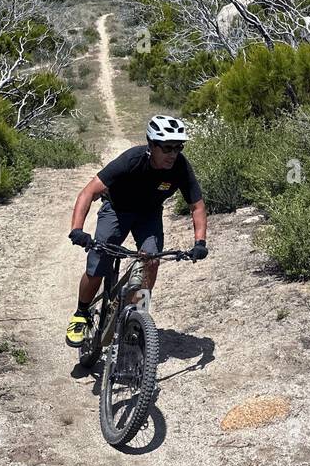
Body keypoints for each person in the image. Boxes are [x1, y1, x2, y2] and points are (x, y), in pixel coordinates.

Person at [64, 115, 208, 346]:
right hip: (117, 210)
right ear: (152, 145)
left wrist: (200, 242)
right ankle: (81, 313)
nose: (174, 153)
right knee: (99, 259)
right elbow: (88, 192)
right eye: (168, 147)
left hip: (149, 214)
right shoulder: (132, 160)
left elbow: (197, 206)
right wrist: (77, 230)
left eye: (179, 147)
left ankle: (136, 317)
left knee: (151, 260)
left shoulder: (180, 166)